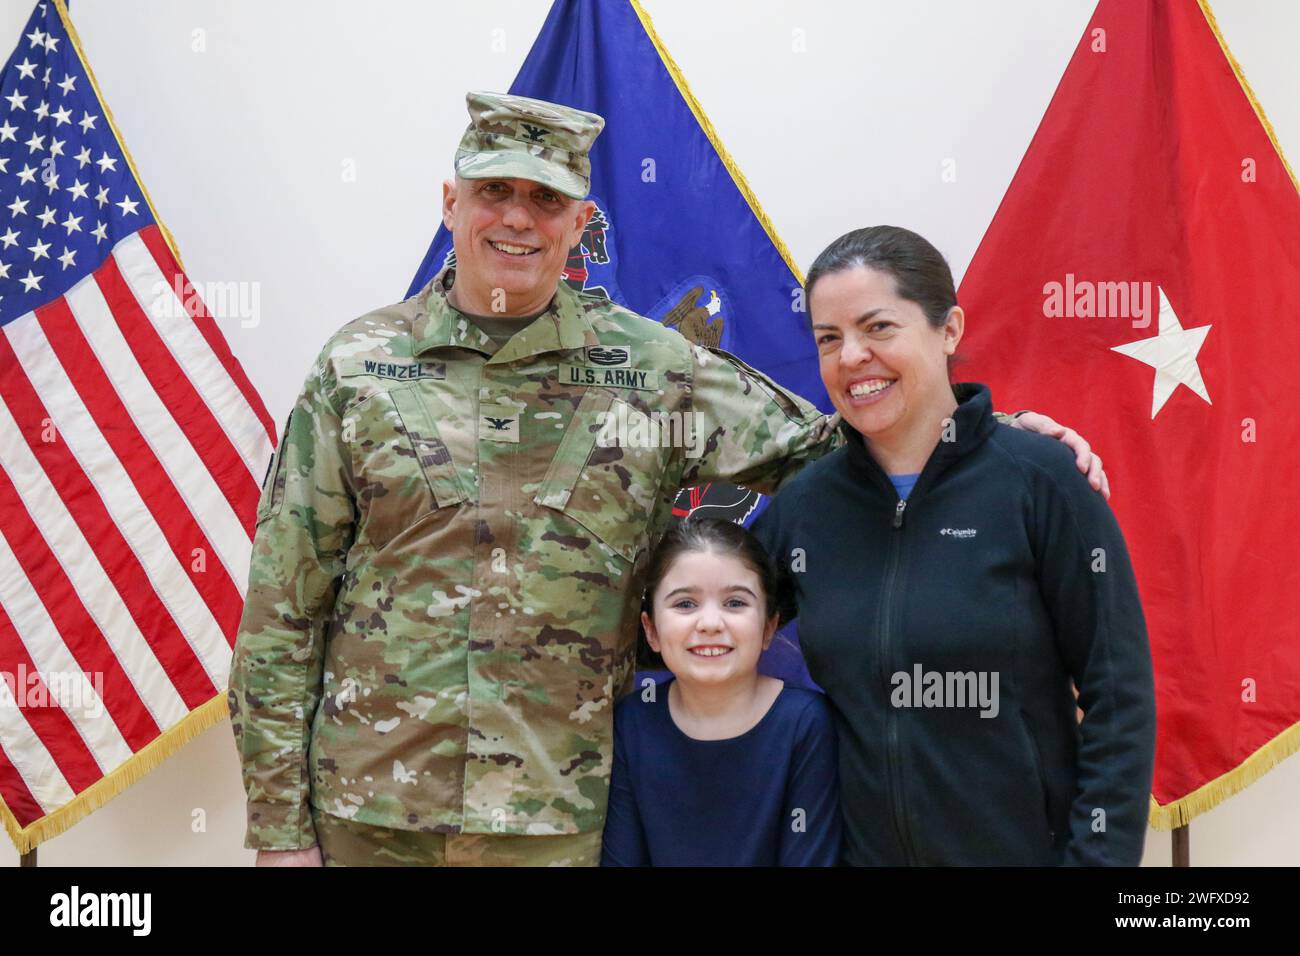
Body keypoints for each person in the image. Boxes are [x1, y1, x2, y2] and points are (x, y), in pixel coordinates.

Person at [228, 92, 1106, 867]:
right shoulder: (359, 366)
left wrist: (989, 440)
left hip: (559, 817)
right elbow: (284, 605)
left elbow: (836, 451)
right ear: (450, 202)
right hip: (369, 812)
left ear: (581, 223)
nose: (518, 219)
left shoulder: (650, 369)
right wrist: (280, 827)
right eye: (495, 190)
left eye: (548, 198)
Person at [751, 226, 1157, 866]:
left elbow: (1120, 695)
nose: (851, 356)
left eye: (878, 327)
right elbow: (701, 622)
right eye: (829, 338)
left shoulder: (1041, 481)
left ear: (949, 330)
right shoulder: (806, 506)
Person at [600, 518, 840, 866]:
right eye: (685, 604)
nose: (710, 623)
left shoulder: (805, 723)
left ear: (769, 626)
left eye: (735, 603)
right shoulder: (631, 722)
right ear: (650, 630)